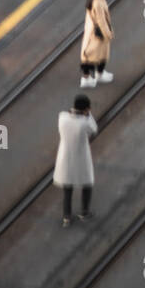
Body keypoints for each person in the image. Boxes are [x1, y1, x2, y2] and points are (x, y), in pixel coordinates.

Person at [55, 95, 98, 227]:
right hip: (81, 158)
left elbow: (69, 113)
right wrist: (88, 114)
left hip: (65, 157)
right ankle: (84, 212)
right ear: (86, 109)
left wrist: (81, 112)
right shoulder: (85, 123)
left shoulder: (62, 117)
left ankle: (66, 217)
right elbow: (94, 129)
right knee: (87, 184)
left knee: (67, 188)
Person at [78, 0, 114, 88]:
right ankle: (87, 78)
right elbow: (101, 21)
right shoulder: (97, 2)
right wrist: (108, 34)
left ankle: (98, 74)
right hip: (97, 34)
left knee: (100, 54)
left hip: (94, 33)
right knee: (91, 56)